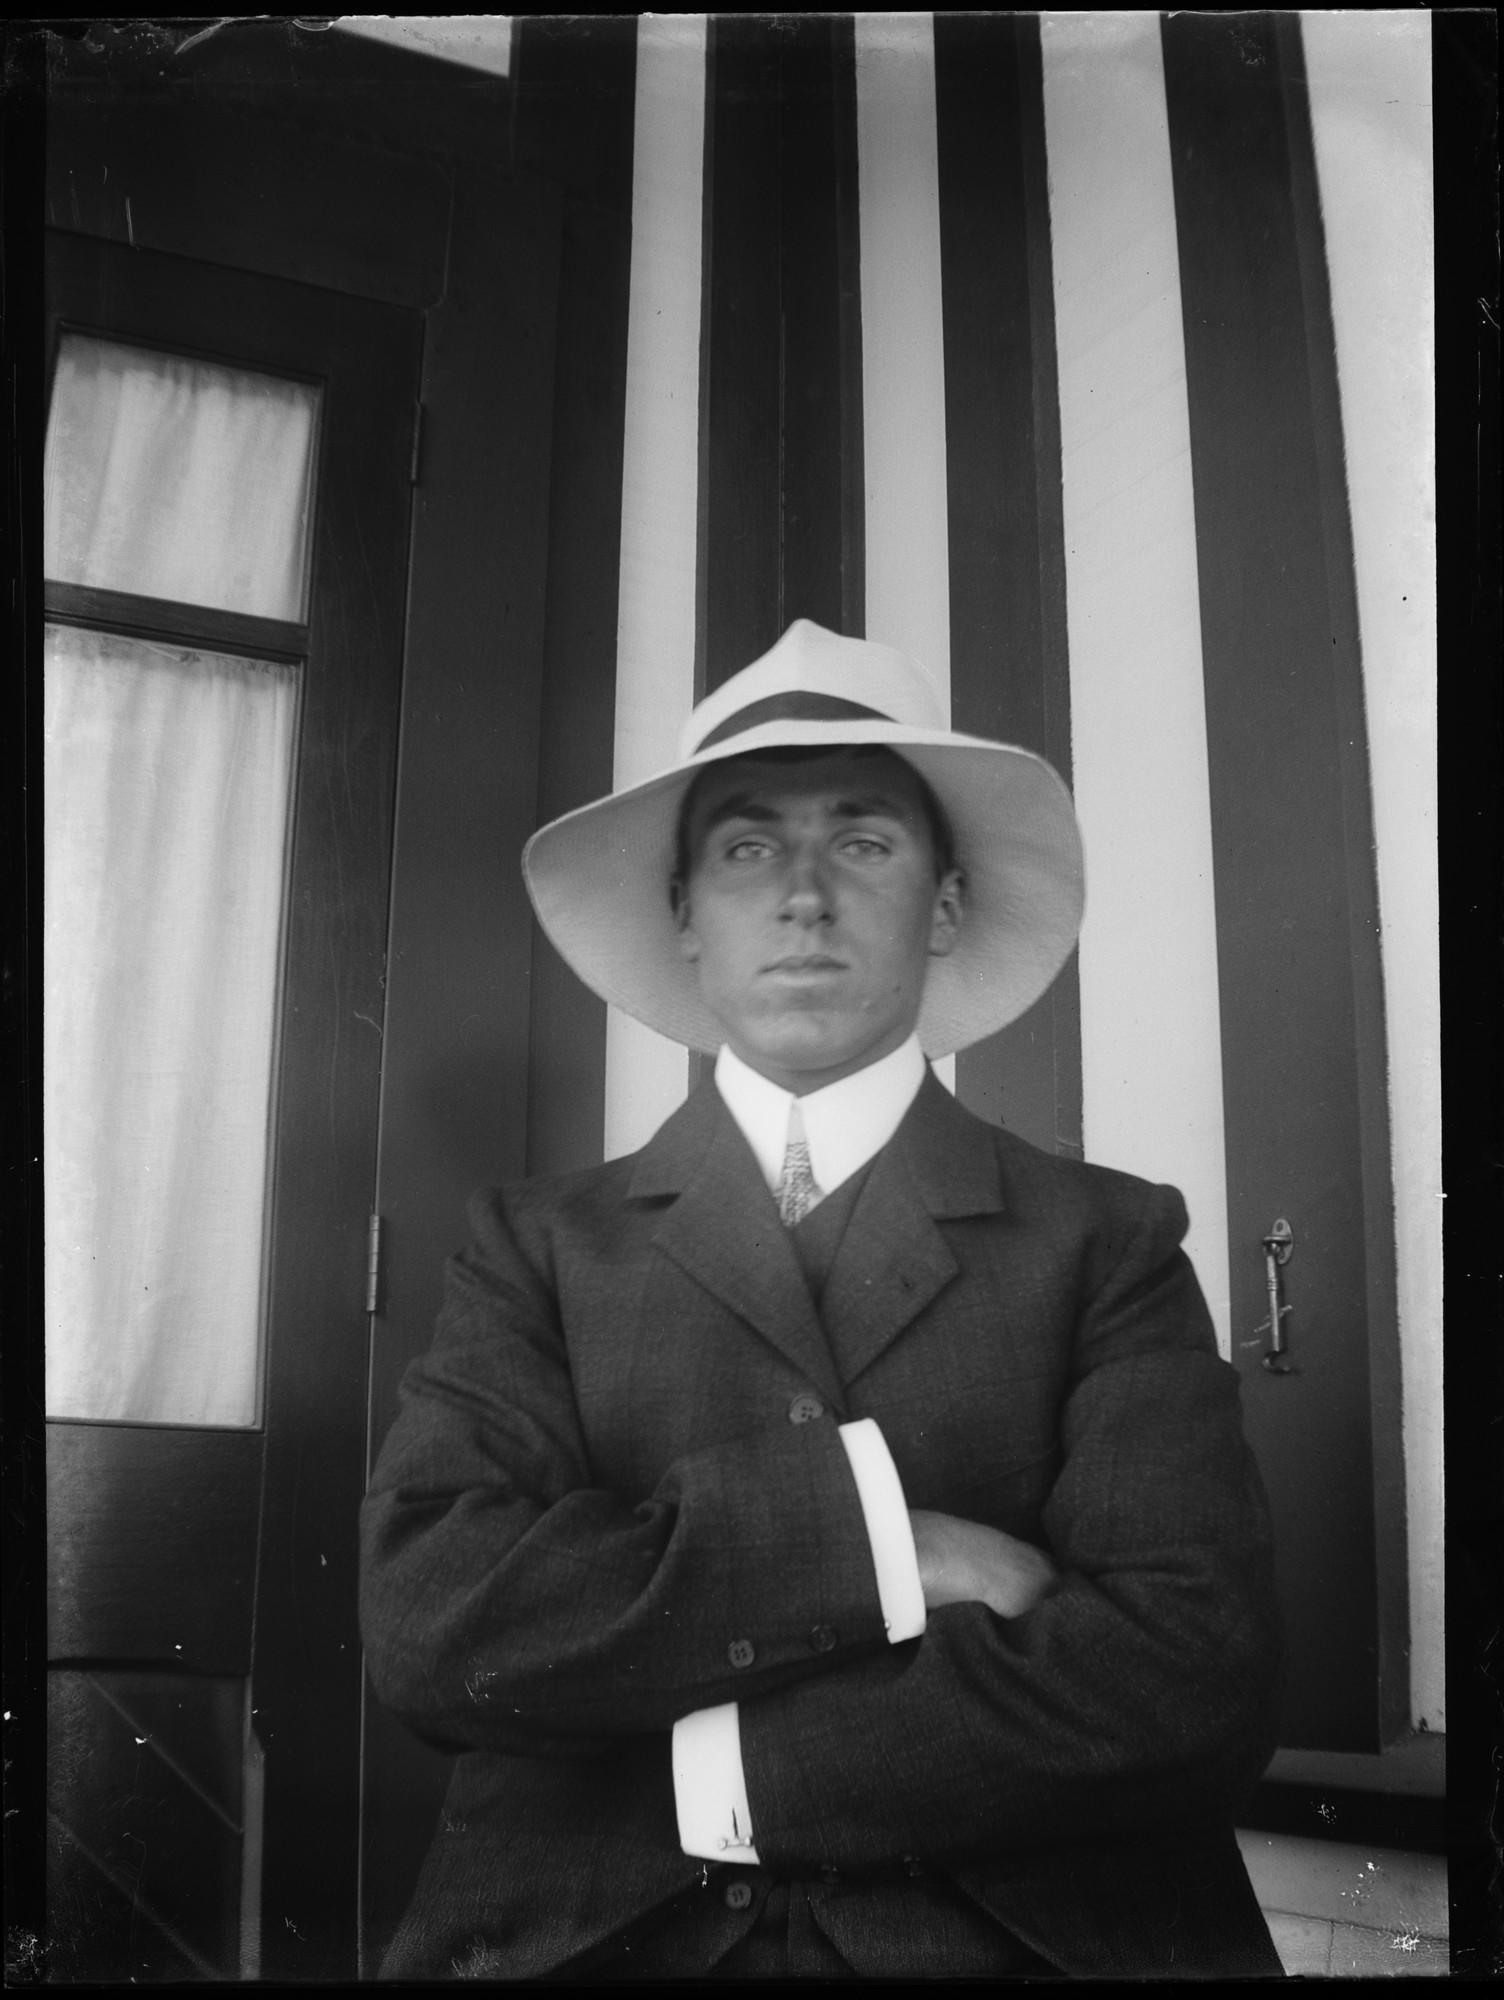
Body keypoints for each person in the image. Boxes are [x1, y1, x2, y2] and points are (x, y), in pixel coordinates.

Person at [359, 619, 1284, 1981]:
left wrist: (723, 1769)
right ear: (683, 913)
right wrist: (894, 1550)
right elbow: (439, 1624)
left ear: (948, 904)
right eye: (746, 848)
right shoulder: (538, 1245)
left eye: (861, 843)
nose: (803, 895)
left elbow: (1189, 1672)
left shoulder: (1106, 1239)